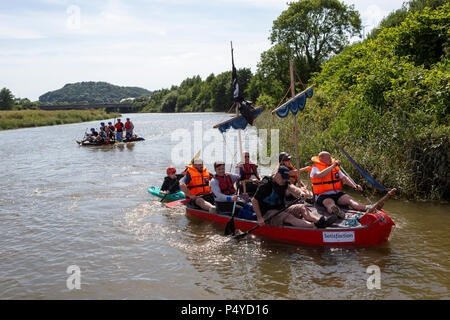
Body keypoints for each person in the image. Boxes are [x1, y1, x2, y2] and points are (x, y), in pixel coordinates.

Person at [252, 165, 338, 229]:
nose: (284, 181)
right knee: (289, 217)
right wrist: (259, 218)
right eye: (283, 178)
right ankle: (314, 226)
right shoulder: (266, 183)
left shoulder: (284, 181)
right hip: (267, 213)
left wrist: (301, 193)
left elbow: (293, 188)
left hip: (281, 208)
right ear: (277, 174)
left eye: (286, 178)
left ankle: (319, 221)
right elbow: (254, 201)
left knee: (302, 207)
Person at [309, 151, 373, 218]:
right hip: (323, 195)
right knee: (330, 203)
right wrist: (333, 166)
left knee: (350, 200)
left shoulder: (335, 168)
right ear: (321, 159)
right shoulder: (315, 168)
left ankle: (366, 208)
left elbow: (344, 179)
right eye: (328, 158)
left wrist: (355, 186)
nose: (330, 159)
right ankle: (338, 213)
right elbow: (320, 175)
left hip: (336, 193)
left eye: (330, 157)